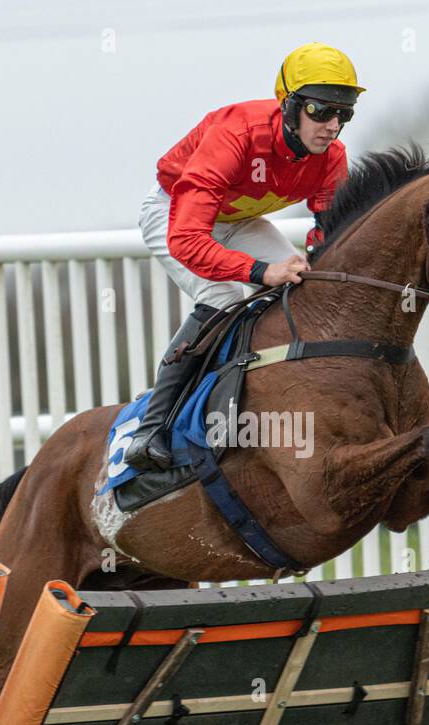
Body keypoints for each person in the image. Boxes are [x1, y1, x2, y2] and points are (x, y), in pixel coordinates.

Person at [122, 42, 364, 472]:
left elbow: (327, 229)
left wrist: (313, 259)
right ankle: (150, 430)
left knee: (302, 286)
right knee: (221, 295)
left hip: (241, 220)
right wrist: (259, 271)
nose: (332, 126)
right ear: (289, 106)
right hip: (175, 214)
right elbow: (188, 240)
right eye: (320, 111)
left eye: (343, 114)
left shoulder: (332, 157)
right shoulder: (236, 133)